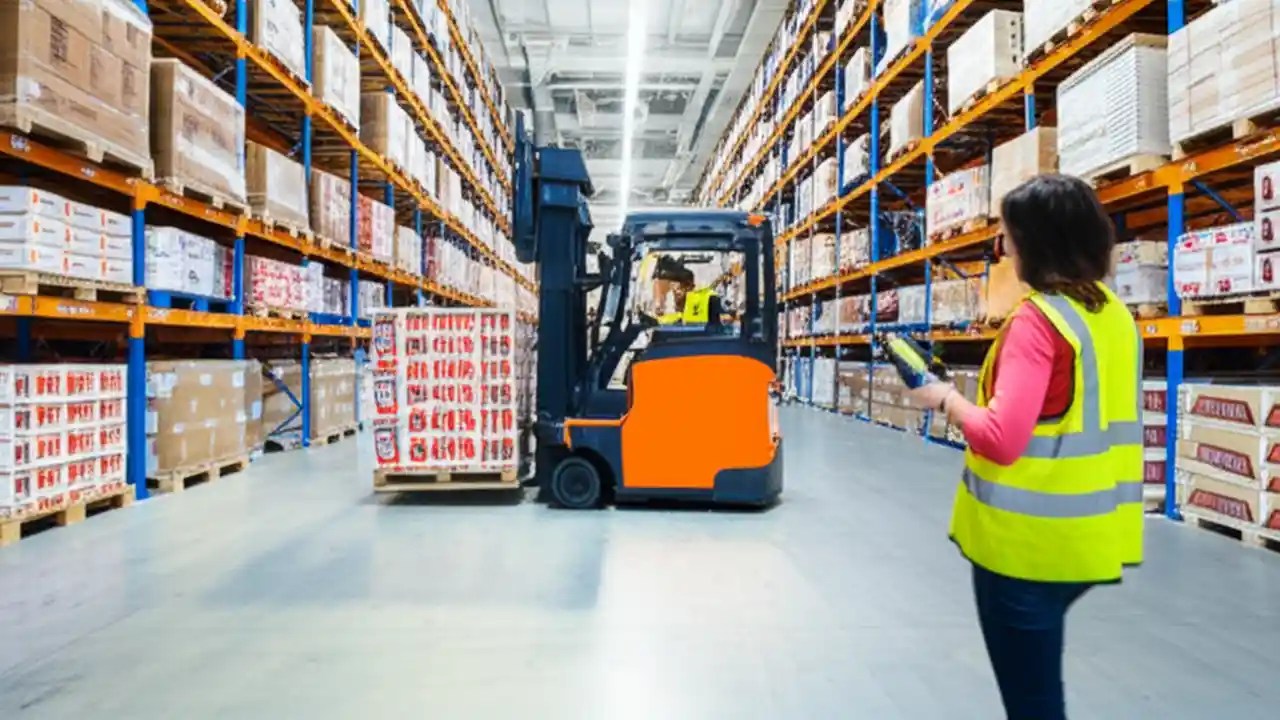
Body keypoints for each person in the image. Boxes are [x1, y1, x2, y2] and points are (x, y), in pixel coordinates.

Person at [906, 174, 1143, 720]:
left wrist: (942, 398)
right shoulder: (1112, 314)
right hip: (1090, 539)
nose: (1004, 249)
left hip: (1025, 550)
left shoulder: (1038, 322)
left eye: (1008, 237)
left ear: (1036, 244)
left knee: (1033, 703)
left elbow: (1002, 437)